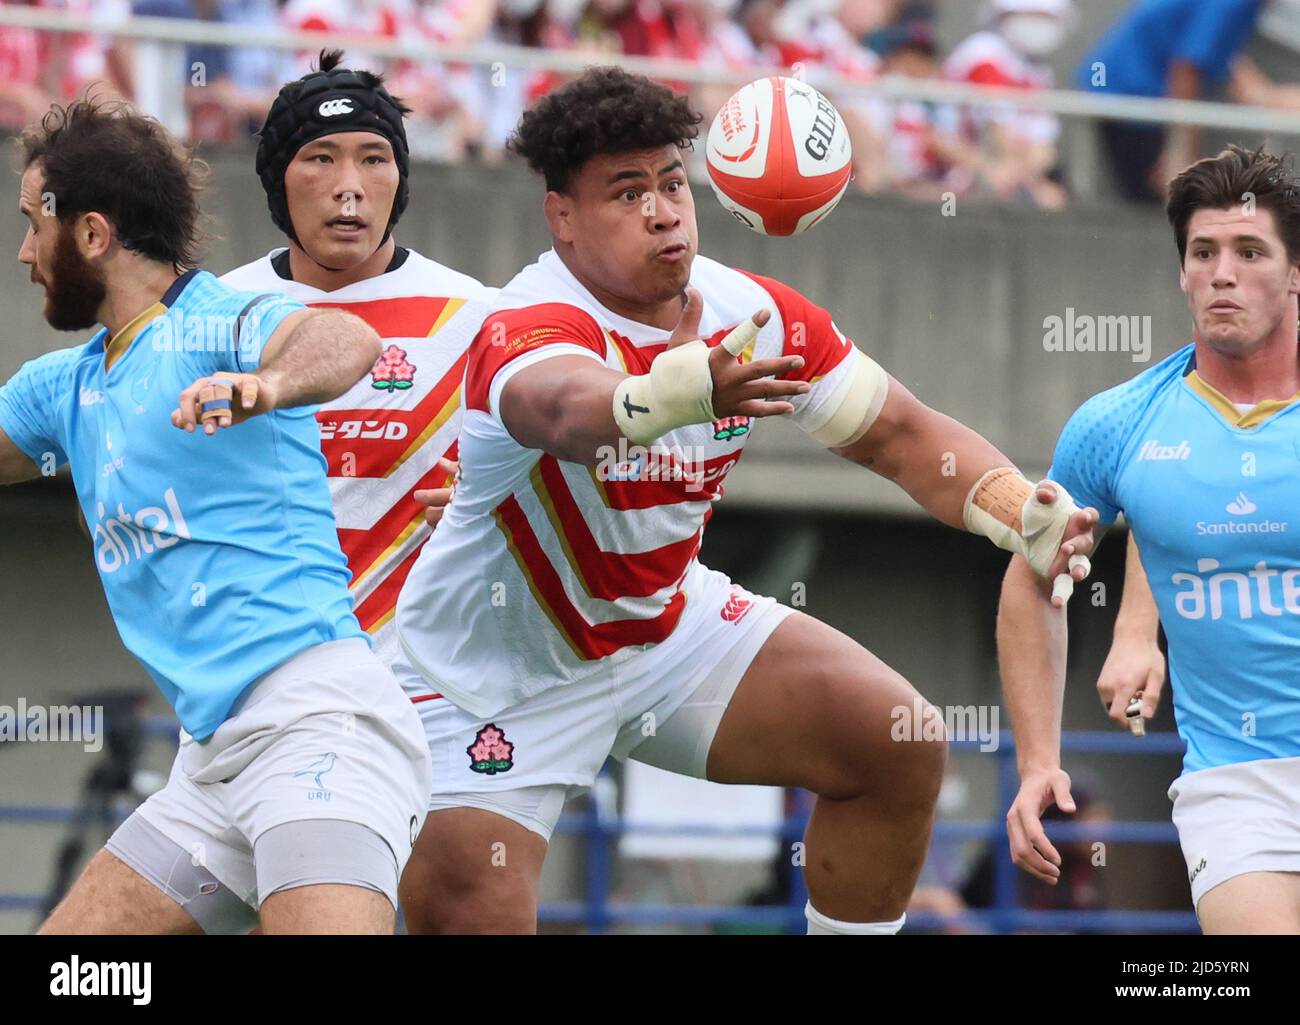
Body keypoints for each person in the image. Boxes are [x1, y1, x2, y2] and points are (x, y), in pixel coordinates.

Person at [392, 66, 1098, 935]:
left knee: (896, 743)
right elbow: (566, 410)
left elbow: (902, 438)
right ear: (562, 217)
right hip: (486, 674)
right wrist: (680, 390)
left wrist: (1014, 504)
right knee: (470, 909)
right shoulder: (528, 318)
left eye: (670, 183)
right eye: (625, 192)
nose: (661, 211)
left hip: (659, 628)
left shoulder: (750, 311)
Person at [0, 97, 431, 934]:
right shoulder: (67, 388)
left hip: (320, 732)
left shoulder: (214, 324)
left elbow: (345, 343)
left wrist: (263, 386)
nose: (23, 251)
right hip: (212, 768)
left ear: (92, 235)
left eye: (31, 224)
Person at [1000, 145, 1300, 933]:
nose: (1222, 273)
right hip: (1240, 784)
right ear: (1181, 272)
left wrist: (1138, 624)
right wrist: (1038, 761)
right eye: (1203, 252)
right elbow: (1035, 576)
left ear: (1296, 272)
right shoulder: (1118, 427)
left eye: (1249, 251)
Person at [222, 49, 496, 667]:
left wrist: (495, 504)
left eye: (375, 160)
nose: (350, 187)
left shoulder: (476, 315)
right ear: (276, 181)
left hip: (427, 683)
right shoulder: (216, 312)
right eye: (320, 158)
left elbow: (550, 474)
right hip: (258, 677)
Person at [1078, 0, 1268, 203]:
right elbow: (1187, 67)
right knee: (1162, 199)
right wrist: (1180, 152)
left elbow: (1210, 47)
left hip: (1134, 94)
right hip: (1132, 99)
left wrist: (1263, 93)